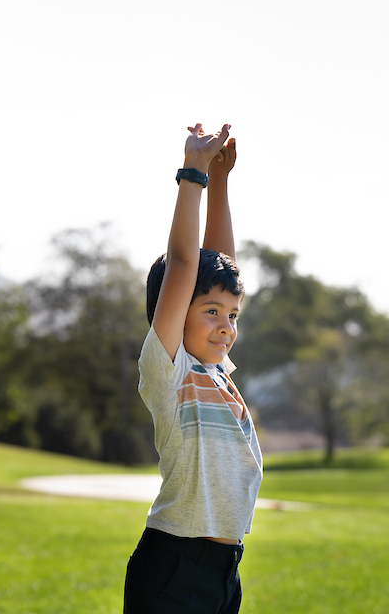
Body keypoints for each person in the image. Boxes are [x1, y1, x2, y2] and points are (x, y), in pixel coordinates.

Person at [123, 123, 263, 614]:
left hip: (225, 571)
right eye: (210, 312)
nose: (225, 325)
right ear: (174, 309)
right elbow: (186, 263)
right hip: (175, 566)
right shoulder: (171, 372)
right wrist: (194, 174)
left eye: (233, 315)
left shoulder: (218, 372)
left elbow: (217, 265)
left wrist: (222, 179)